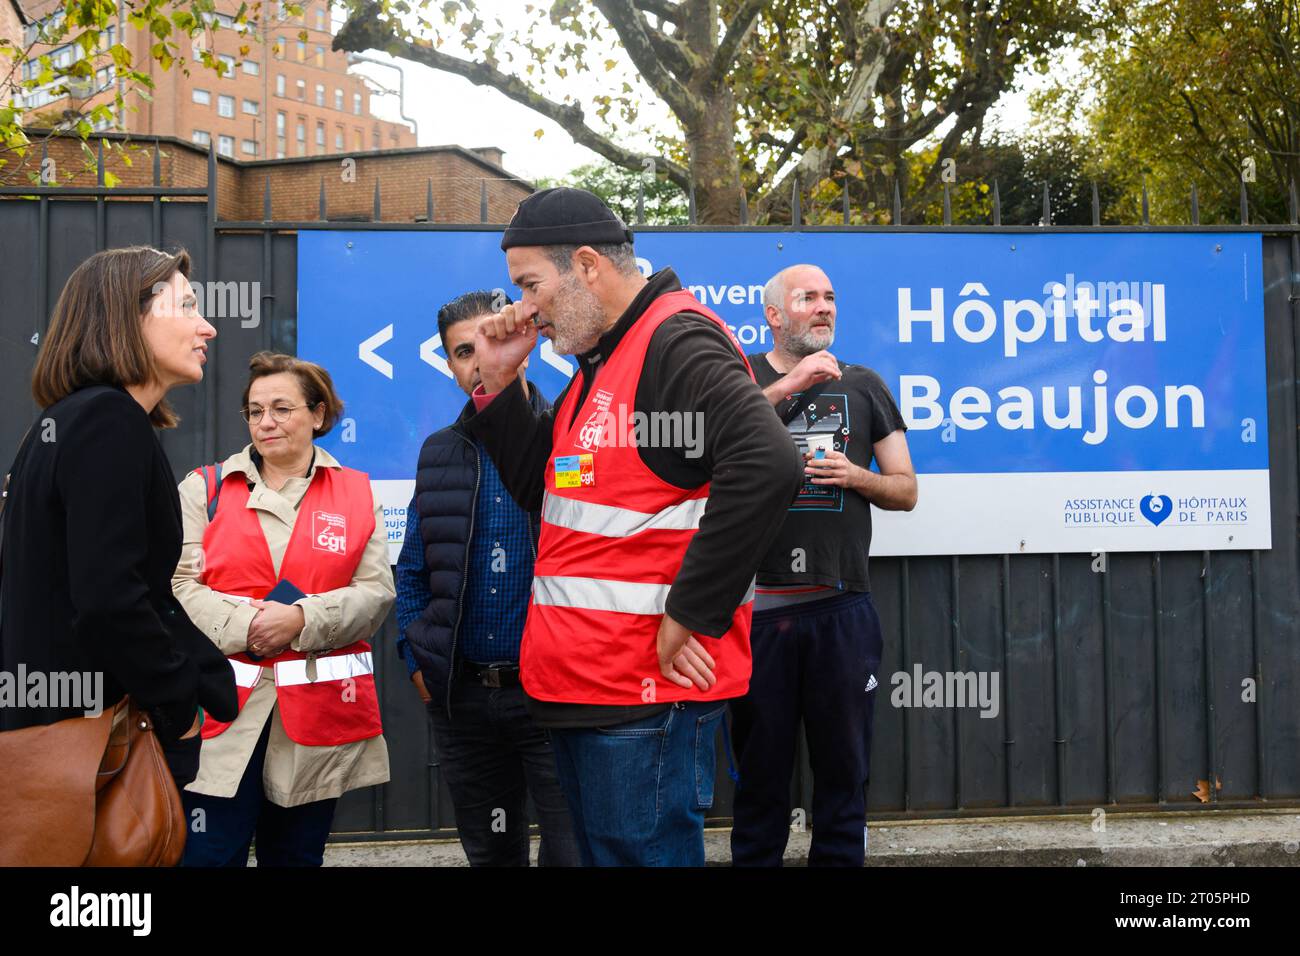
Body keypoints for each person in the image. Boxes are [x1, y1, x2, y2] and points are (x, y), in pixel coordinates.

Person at [466, 187, 803, 866]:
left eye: (531, 286)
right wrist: (501, 385)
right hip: (586, 688)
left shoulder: (673, 338)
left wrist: (694, 610)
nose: (523, 309)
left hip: (640, 698)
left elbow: (767, 463)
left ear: (587, 266)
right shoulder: (600, 361)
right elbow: (553, 491)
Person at [0, 246, 236, 792]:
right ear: (127, 317)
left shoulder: (68, 419)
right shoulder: (109, 420)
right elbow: (109, 598)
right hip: (91, 750)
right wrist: (179, 704)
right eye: (187, 307)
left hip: (55, 737)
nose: (208, 328)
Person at [171, 351, 395, 867]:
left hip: (317, 720)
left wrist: (301, 620)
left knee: (295, 857)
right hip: (221, 719)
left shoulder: (357, 494)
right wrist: (251, 625)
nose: (265, 422)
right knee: (206, 855)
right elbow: (180, 584)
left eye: (281, 408)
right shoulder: (205, 489)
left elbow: (376, 591)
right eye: (254, 411)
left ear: (317, 415)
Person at [730, 263, 918, 867]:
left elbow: (906, 488)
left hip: (841, 611)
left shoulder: (863, 385)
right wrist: (791, 385)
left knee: (844, 780)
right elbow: (712, 451)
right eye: (807, 297)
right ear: (774, 316)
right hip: (756, 615)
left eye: (830, 297)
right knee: (760, 784)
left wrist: (857, 476)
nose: (823, 307)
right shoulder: (740, 378)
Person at [396, 290, 580, 867]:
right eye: (461, 352)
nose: (478, 362)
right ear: (450, 367)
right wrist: (418, 663)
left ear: (524, 347)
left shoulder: (569, 436)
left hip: (555, 698)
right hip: (465, 701)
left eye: (491, 343)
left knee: (574, 853)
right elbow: (413, 571)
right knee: (492, 855)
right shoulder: (440, 452)